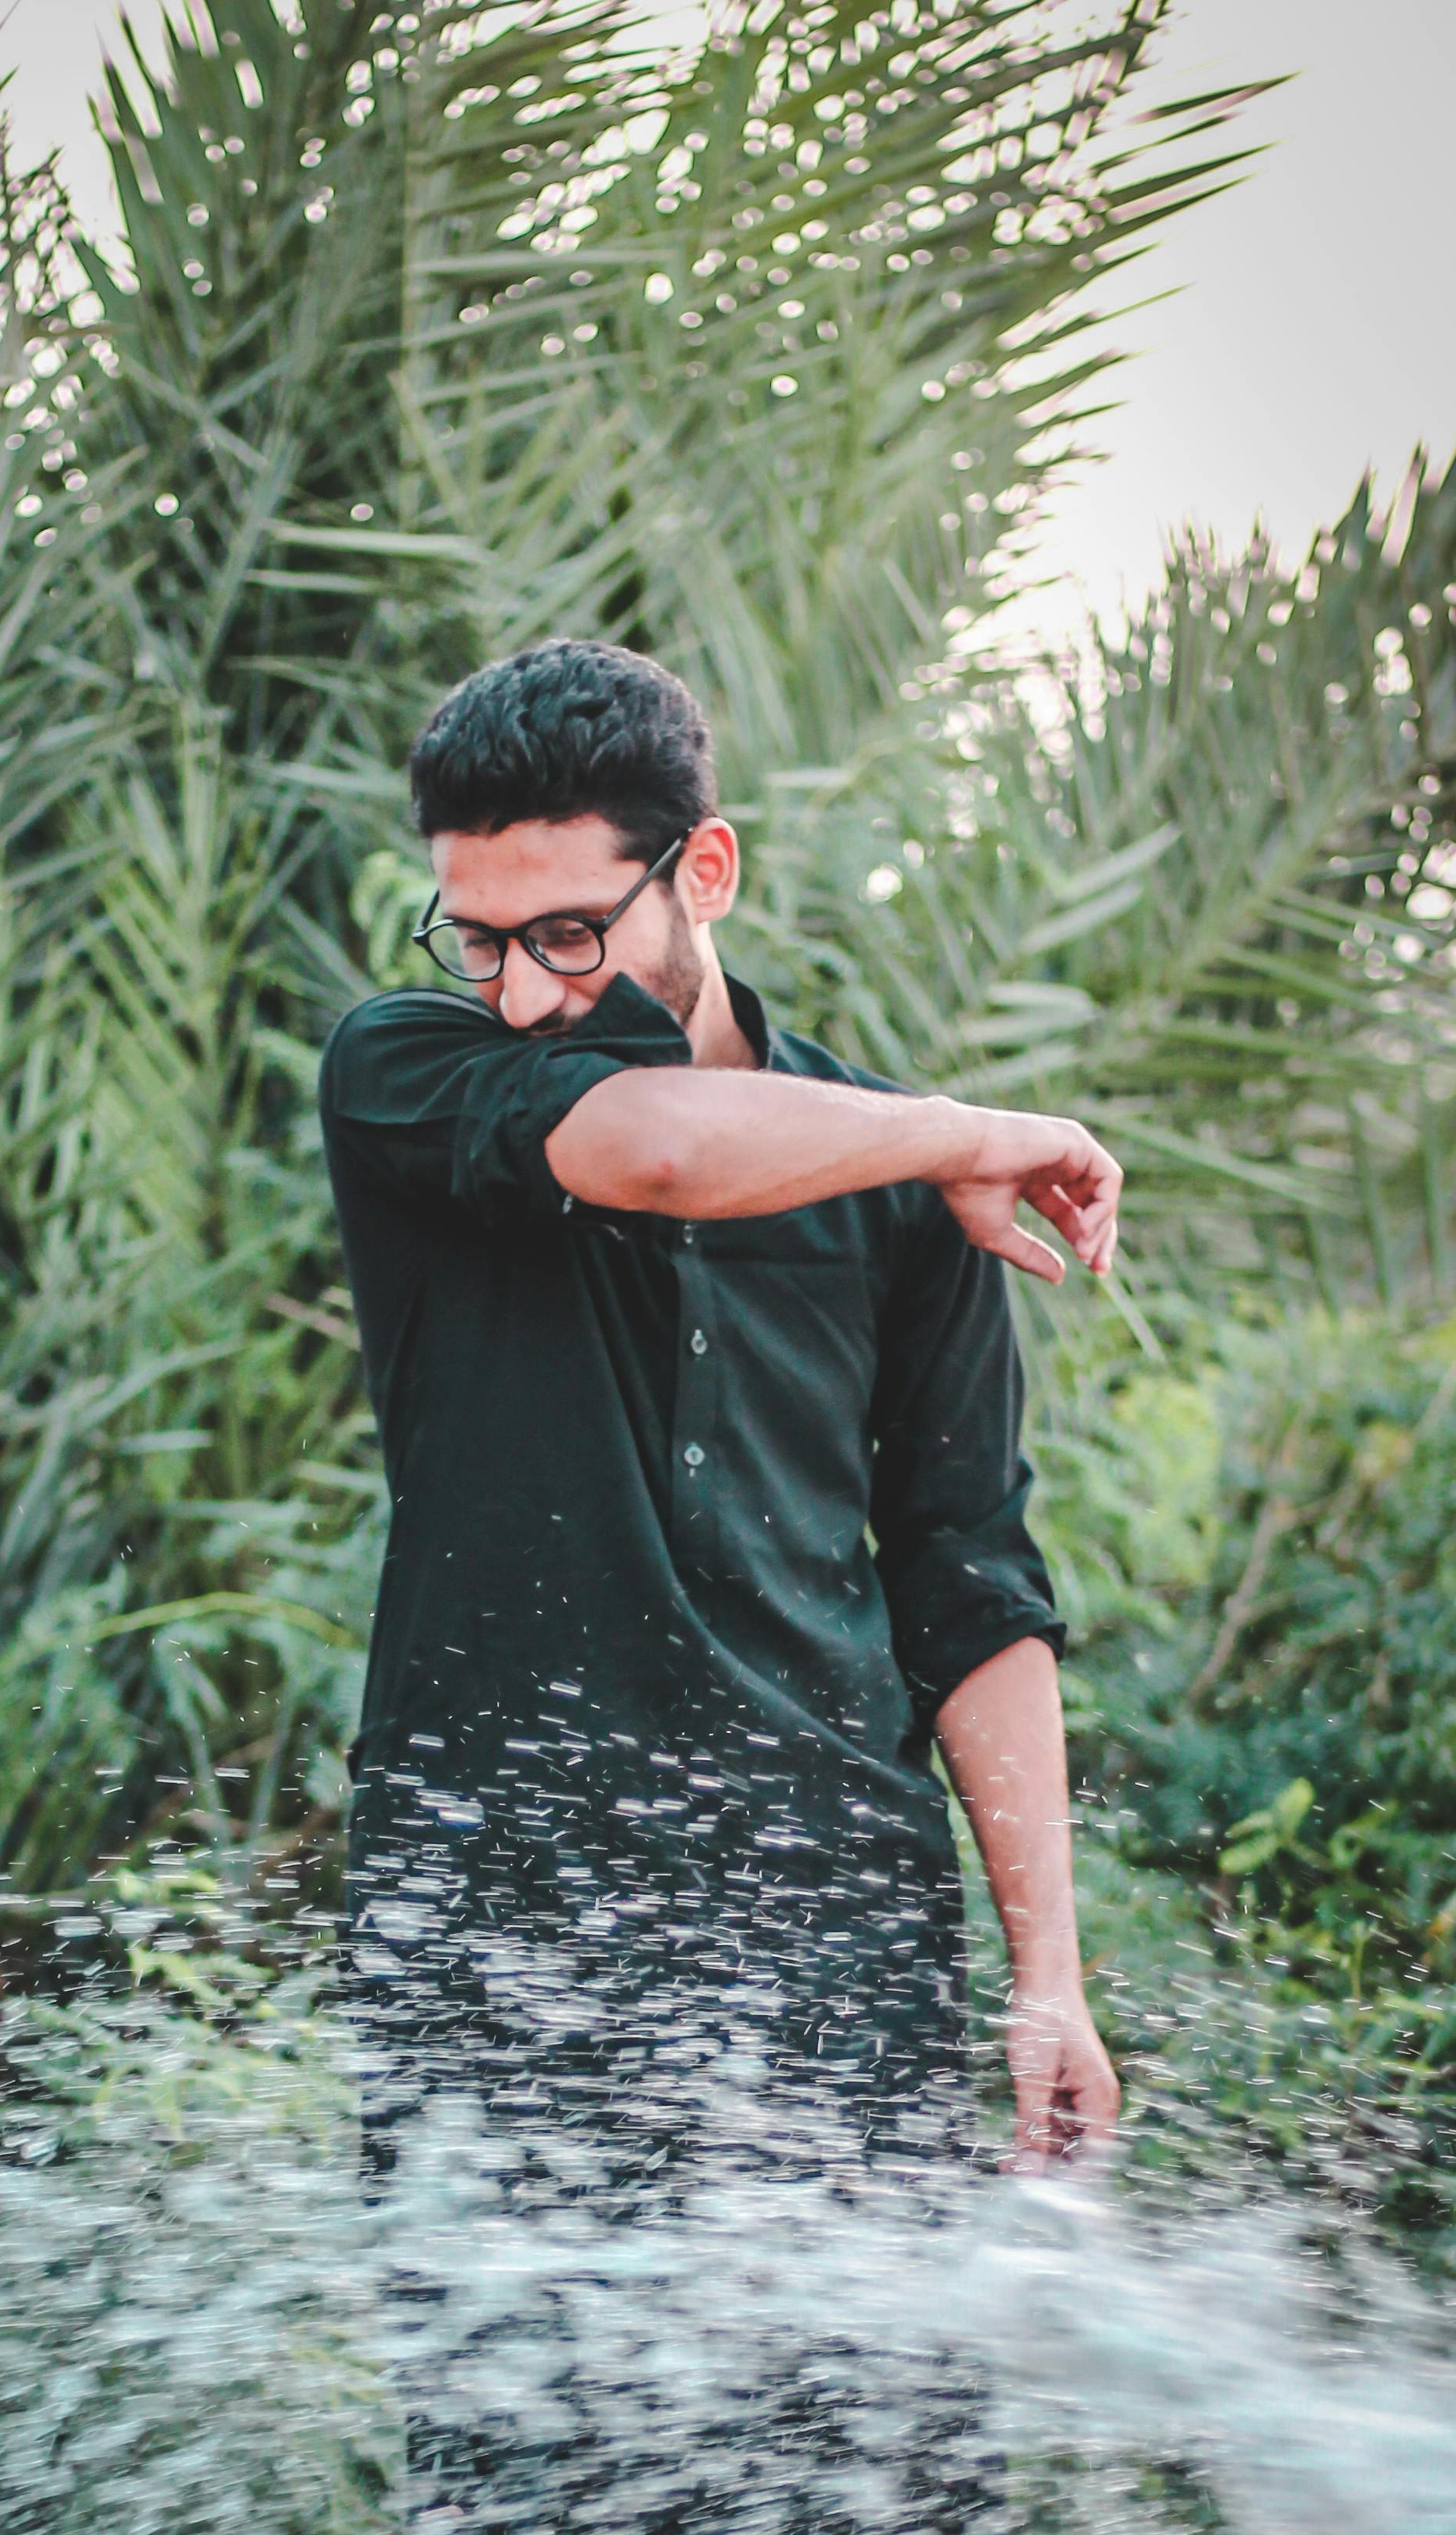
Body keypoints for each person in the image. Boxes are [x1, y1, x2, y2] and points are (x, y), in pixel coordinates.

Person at [318, 637, 1121, 2529]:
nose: (518, 989)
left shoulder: (898, 1189)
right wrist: (977, 1130)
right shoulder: (412, 1068)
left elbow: (967, 1585)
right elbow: (656, 1146)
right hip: (497, 1940)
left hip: (831, 1942)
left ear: (706, 870)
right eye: (477, 934)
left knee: (881, 2484)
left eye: (570, 935)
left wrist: (1047, 1979)